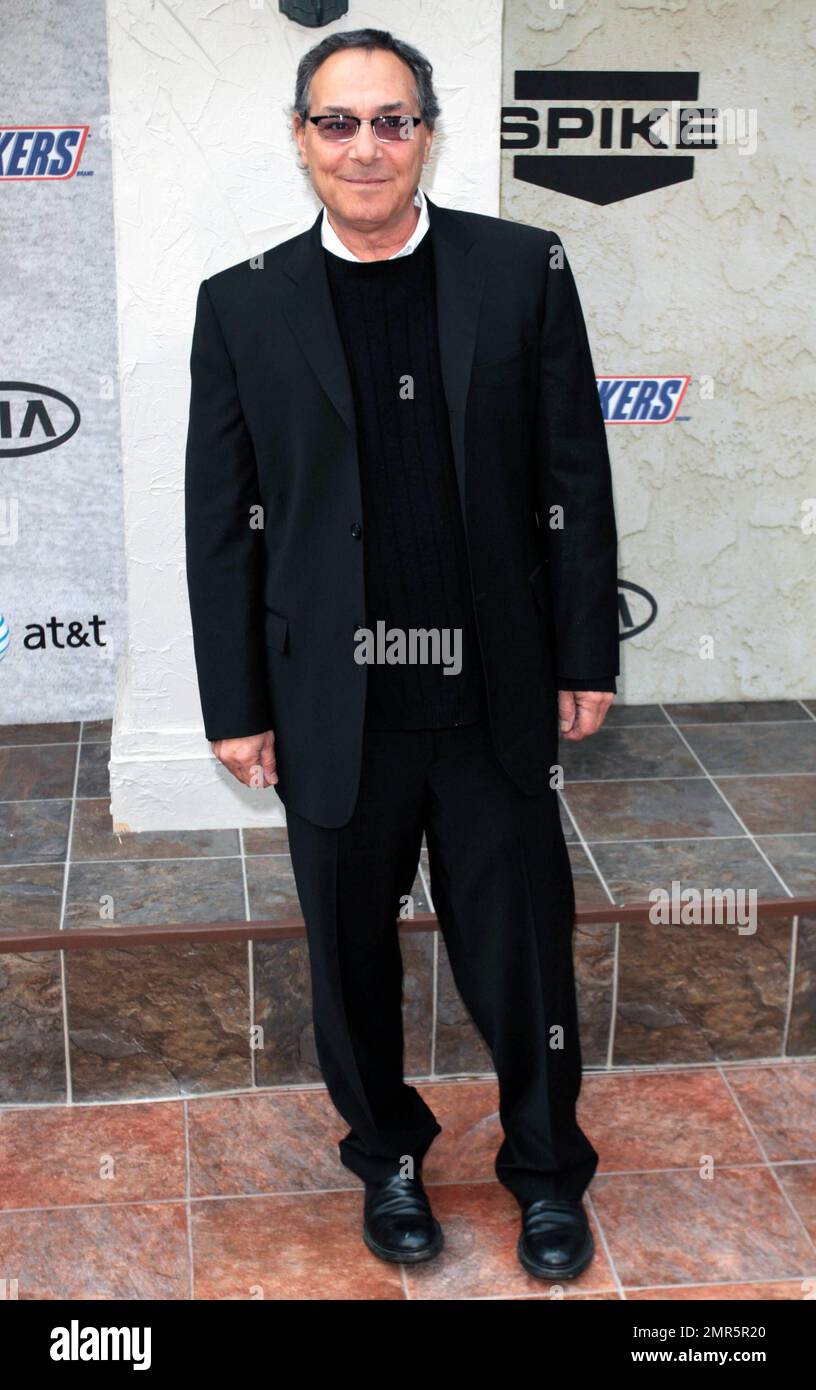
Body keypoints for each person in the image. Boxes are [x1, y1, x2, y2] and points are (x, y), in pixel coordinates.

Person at [184, 27, 619, 1281]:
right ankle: (386, 1158)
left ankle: (546, 1172)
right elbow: (222, 523)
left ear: (427, 131)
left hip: (491, 692)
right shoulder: (242, 302)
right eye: (338, 121)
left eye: (391, 120)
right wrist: (237, 702)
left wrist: (585, 652)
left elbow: (572, 477)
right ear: (301, 136)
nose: (364, 146)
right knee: (351, 957)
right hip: (335, 705)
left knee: (521, 950)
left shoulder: (522, 266)